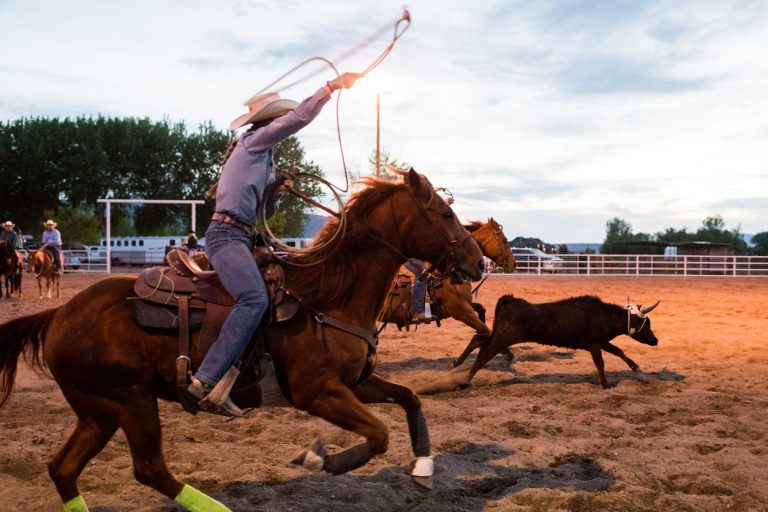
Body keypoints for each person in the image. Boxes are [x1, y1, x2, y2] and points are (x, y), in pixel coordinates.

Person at [186, 71, 362, 417]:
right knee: (252, 298)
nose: (284, 122)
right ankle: (205, 380)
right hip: (227, 236)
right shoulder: (254, 142)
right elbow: (300, 118)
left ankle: (238, 378)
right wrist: (329, 88)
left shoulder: (261, 156)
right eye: (281, 118)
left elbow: (261, 213)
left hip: (242, 234)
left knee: (282, 286)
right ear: (272, 120)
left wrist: (276, 194)